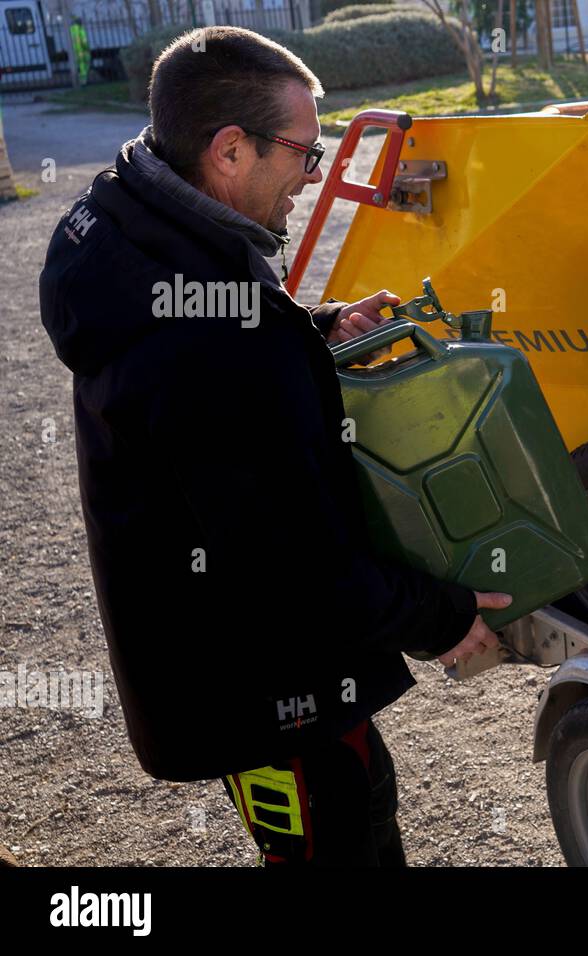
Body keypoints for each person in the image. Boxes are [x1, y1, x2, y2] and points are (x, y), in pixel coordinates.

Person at [38, 26, 507, 866]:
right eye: (305, 151)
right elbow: (292, 562)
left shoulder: (122, 218)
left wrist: (312, 328)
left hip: (206, 660)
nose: (312, 175)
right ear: (228, 149)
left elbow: (201, 348)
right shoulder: (221, 341)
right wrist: (444, 618)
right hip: (261, 681)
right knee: (339, 832)